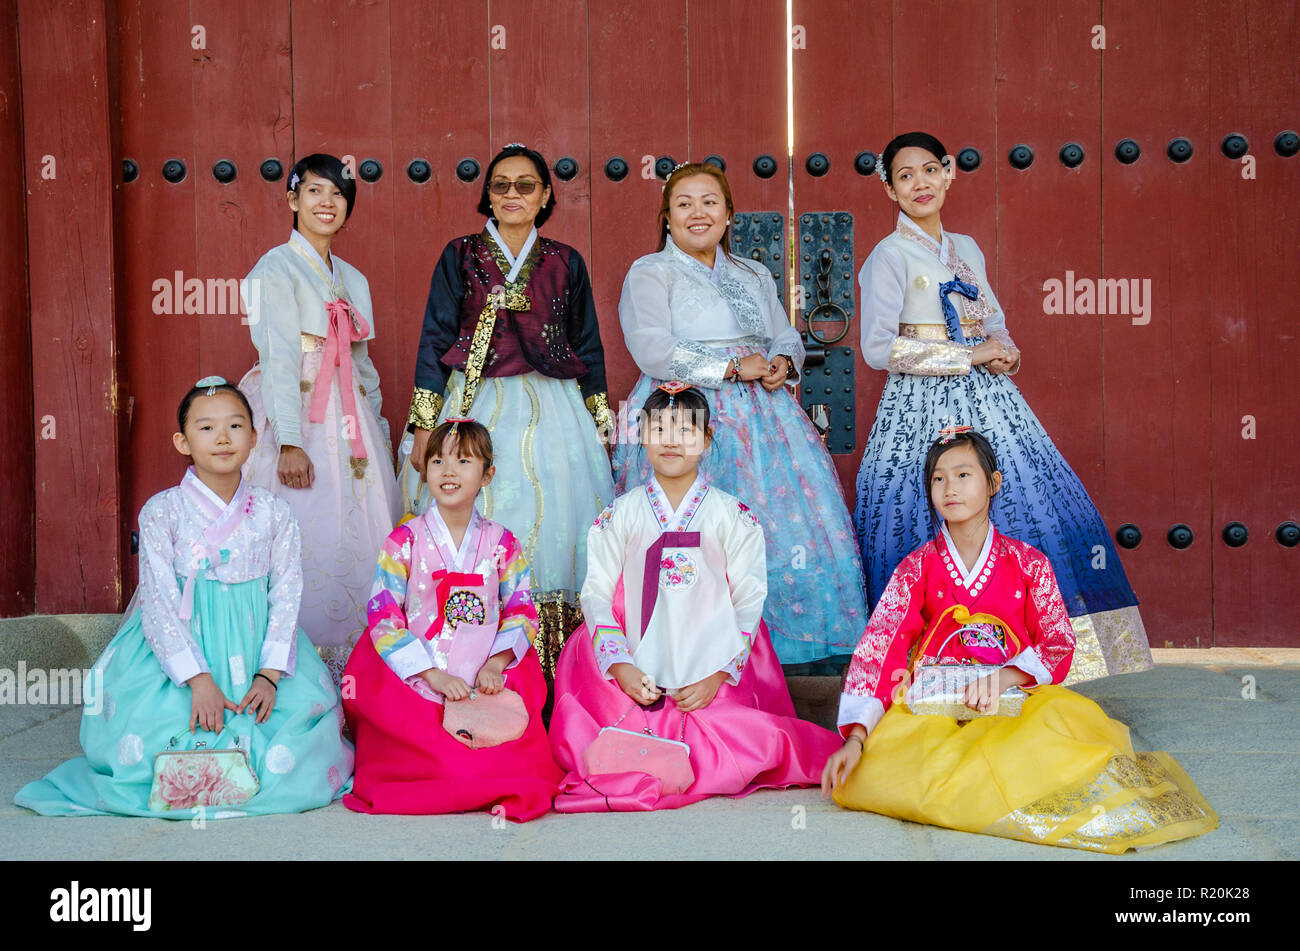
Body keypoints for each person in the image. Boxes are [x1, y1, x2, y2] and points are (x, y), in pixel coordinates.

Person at [823, 429, 1217, 852]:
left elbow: (1058, 644)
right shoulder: (915, 568)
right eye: (938, 479)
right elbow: (880, 647)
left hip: (1011, 705)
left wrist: (1008, 677)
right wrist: (857, 737)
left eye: (962, 475)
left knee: (1052, 757)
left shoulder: (1029, 564)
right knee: (873, 775)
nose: (949, 489)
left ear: (993, 483)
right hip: (934, 709)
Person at [854, 131, 1151, 681]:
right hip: (918, 404)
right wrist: (965, 356)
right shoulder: (888, 256)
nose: (920, 183)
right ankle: (924, 667)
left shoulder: (964, 248)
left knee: (1023, 500)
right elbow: (878, 348)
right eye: (904, 176)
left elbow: (990, 319)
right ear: (891, 191)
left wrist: (1004, 351)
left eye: (929, 170)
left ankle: (1032, 661)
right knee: (919, 507)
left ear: (949, 173)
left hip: (991, 397)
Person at [14, 379, 353, 818]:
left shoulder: (274, 513)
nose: (223, 438)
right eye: (206, 428)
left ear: (254, 437)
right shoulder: (162, 511)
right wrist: (198, 681)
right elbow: (156, 601)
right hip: (178, 650)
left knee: (294, 748)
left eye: (236, 425)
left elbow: (287, 594)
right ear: (183, 440)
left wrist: (268, 676)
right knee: (153, 742)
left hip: (255, 653)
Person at [613, 162, 867, 666]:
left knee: (778, 523)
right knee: (692, 530)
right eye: (684, 204)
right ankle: (688, 647)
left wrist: (781, 362)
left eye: (710, 202)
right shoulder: (650, 272)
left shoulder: (752, 273)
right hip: (684, 414)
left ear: (729, 213)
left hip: (765, 416)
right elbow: (651, 350)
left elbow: (786, 334)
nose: (698, 213)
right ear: (667, 218)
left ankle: (777, 647)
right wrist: (729, 366)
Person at [550, 384, 842, 812]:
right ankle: (641, 736)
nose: (671, 440)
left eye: (686, 430)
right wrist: (620, 664)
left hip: (712, 653)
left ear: (706, 441)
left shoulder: (732, 516)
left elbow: (748, 599)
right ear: (642, 436)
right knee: (595, 692)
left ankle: (669, 744)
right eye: (659, 428)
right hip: (633, 651)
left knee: (738, 739)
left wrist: (717, 676)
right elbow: (595, 592)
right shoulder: (618, 516)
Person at [403, 143, 613, 674]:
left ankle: (551, 667)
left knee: (557, 519)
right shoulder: (460, 255)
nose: (513, 194)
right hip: (475, 403)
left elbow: (587, 346)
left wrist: (602, 420)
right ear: (487, 195)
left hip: (555, 409)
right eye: (501, 185)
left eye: (525, 185)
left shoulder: (566, 261)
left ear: (545, 195)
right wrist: (423, 426)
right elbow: (434, 339)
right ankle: (461, 649)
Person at [343, 419, 560, 820]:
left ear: (488, 474)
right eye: (437, 460)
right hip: (419, 670)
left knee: (505, 761)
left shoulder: (501, 543)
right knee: (445, 766)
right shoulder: (404, 540)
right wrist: (430, 674)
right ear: (424, 470)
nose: (448, 471)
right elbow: (384, 614)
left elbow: (521, 610)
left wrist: (496, 664)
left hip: (486, 668)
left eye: (463, 461)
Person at [238, 153, 401, 685]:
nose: (325, 203)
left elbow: (363, 365)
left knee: (358, 529)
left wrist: (377, 429)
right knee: (300, 525)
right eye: (314, 192)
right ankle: (291, 670)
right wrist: (288, 441)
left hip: (347, 416)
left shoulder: (352, 277)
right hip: (297, 410)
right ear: (292, 199)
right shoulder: (273, 269)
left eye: (337, 195)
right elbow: (281, 358)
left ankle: (359, 673)